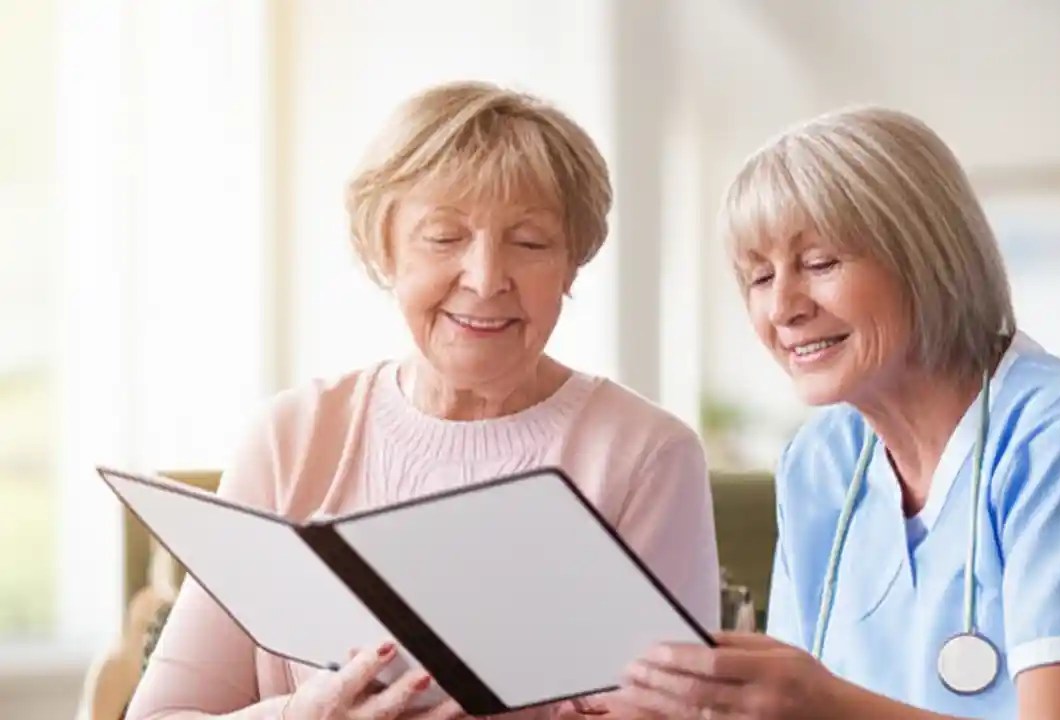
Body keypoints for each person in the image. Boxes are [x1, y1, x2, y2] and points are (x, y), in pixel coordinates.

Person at [609, 107, 1060, 719]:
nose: (783, 308)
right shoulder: (817, 461)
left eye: (820, 263)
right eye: (757, 277)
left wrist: (823, 704)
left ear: (927, 257)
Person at [125, 81, 722, 720]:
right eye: (444, 237)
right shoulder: (291, 436)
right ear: (384, 251)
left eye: (530, 242)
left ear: (572, 264)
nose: (487, 278)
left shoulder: (645, 454)